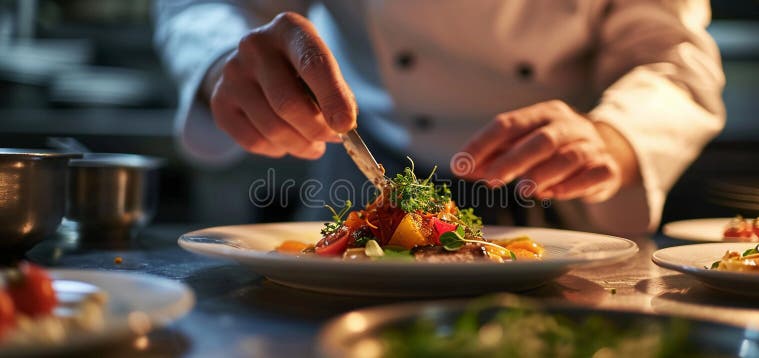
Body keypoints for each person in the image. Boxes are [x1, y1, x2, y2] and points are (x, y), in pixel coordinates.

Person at [153, 0, 725, 237]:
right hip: (363, 169)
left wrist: (612, 137)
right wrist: (224, 60)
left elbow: (672, 56)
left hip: (560, 192)